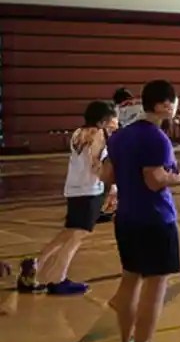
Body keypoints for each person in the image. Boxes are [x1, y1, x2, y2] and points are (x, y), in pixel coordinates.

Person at [101, 79, 180, 342]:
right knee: (155, 287)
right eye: (173, 100)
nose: (175, 106)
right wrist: (177, 177)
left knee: (130, 280)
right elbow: (154, 179)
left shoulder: (121, 136)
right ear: (164, 104)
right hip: (154, 219)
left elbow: (107, 175)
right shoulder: (156, 138)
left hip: (126, 218)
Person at [18, 100, 119, 295]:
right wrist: (112, 185)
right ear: (104, 120)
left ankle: (36, 264)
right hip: (89, 191)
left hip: (74, 189)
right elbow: (95, 165)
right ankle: (58, 279)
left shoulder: (78, 133)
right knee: (76, 237)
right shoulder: (98, 134)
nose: (117, 121)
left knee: (68, 232)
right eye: (114, 117)